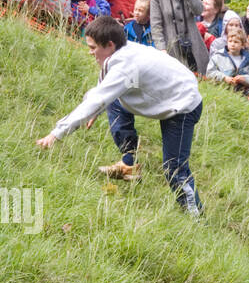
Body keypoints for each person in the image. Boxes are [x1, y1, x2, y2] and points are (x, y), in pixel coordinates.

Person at [36, 14, 204, 214]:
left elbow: (98, 98)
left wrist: (56, 133)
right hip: (168, 91)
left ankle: (195, 216)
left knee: (173, 168)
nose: (90, 53)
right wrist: (95, 111)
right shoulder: (122, 51)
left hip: (183, 105)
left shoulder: (126, 66)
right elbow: (103, 89)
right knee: (114, 100)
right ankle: (129, 163)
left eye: (92, 48)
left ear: (109, 45)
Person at [150, 0, 208, 75]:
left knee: (199, 80)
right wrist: (161, 49)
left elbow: (198, 10)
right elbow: (156, 25)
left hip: (193, 45)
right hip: (171, 47)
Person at [206, 21, 249, 92]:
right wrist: (224, 78)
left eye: (236, 42)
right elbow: (209, 73)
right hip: (221, 90)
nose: (232, 44)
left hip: (241, 93)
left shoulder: (246, 59)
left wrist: (244, 79)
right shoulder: (218, 56)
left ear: (242, 45)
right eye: (230, 41)